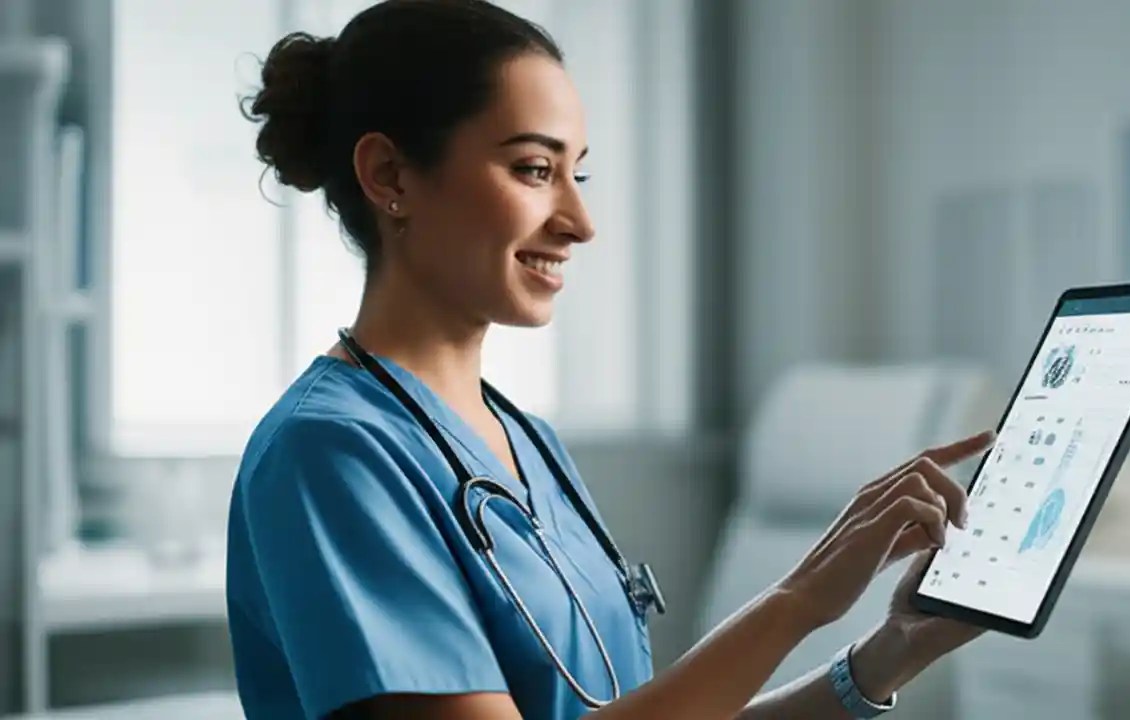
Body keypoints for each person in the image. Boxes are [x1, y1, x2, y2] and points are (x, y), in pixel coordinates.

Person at [224, 1, 995, 718]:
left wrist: (882, 657)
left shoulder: (529, 444)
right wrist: (798, 600)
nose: (580, 221)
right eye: (534, 169)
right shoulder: (330, 454)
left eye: (577, 173)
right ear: (390, 176)